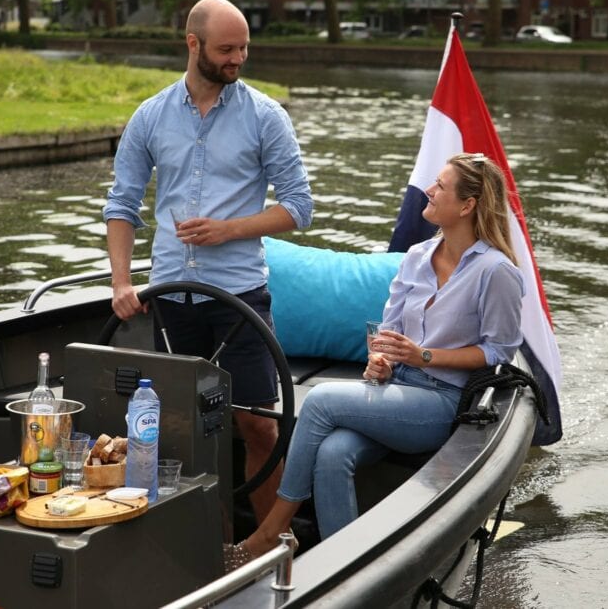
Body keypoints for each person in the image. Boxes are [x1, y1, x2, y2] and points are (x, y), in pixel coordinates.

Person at [224, 153, 525, 569]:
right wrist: (379, 361)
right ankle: (346, 569)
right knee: (332, 454)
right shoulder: (417, 256)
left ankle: (272, 531)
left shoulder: (497, 271)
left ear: (467, 205)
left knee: (320, 400)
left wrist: (424, 355)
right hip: (394, 389)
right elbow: (387, 331)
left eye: (440, 186)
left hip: (442, 402)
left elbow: (499, 352)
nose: (429, 191)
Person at [102, 0, 313, 523]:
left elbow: (299, 207)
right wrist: (122, 282)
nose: (237, 58)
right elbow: (121, 204)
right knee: (174, 429)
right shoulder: (149, 117)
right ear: (192, 44)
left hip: (239, 297)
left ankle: (272, 544)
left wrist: (228, 230)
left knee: (259, 426)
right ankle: (196, 544)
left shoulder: (266, 116)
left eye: (243, 47)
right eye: (226, 48)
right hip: (171, 297)